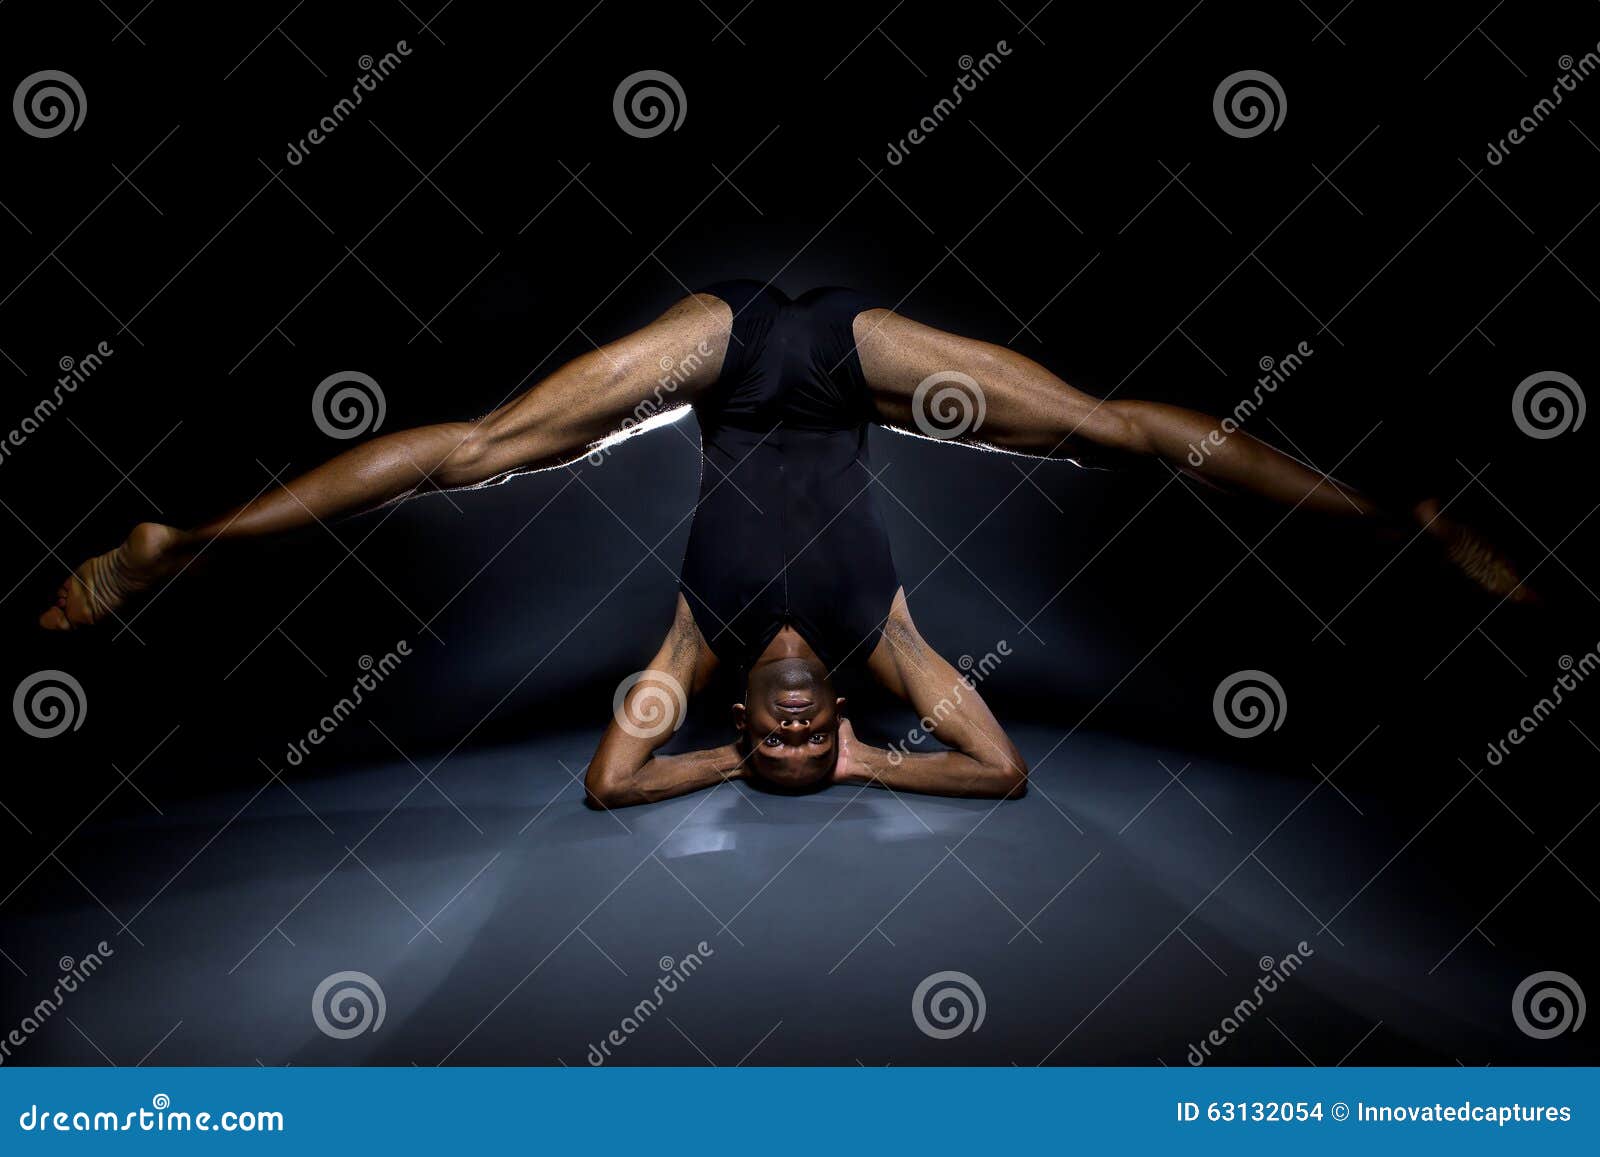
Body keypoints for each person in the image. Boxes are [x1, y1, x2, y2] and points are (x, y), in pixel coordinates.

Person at [39, 280, 1531, 805]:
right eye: (821, 739)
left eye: (783, 743)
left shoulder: (695, 645)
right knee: (1108, 427)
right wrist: (882, 763)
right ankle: (1398, 518)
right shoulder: (889, 641)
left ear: (747, 720)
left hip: (723, 343)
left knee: (485, 449)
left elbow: (615, 777)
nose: (805, 724)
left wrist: (725, 767)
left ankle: (183, 538)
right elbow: (1001, 767)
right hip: (852, 358)